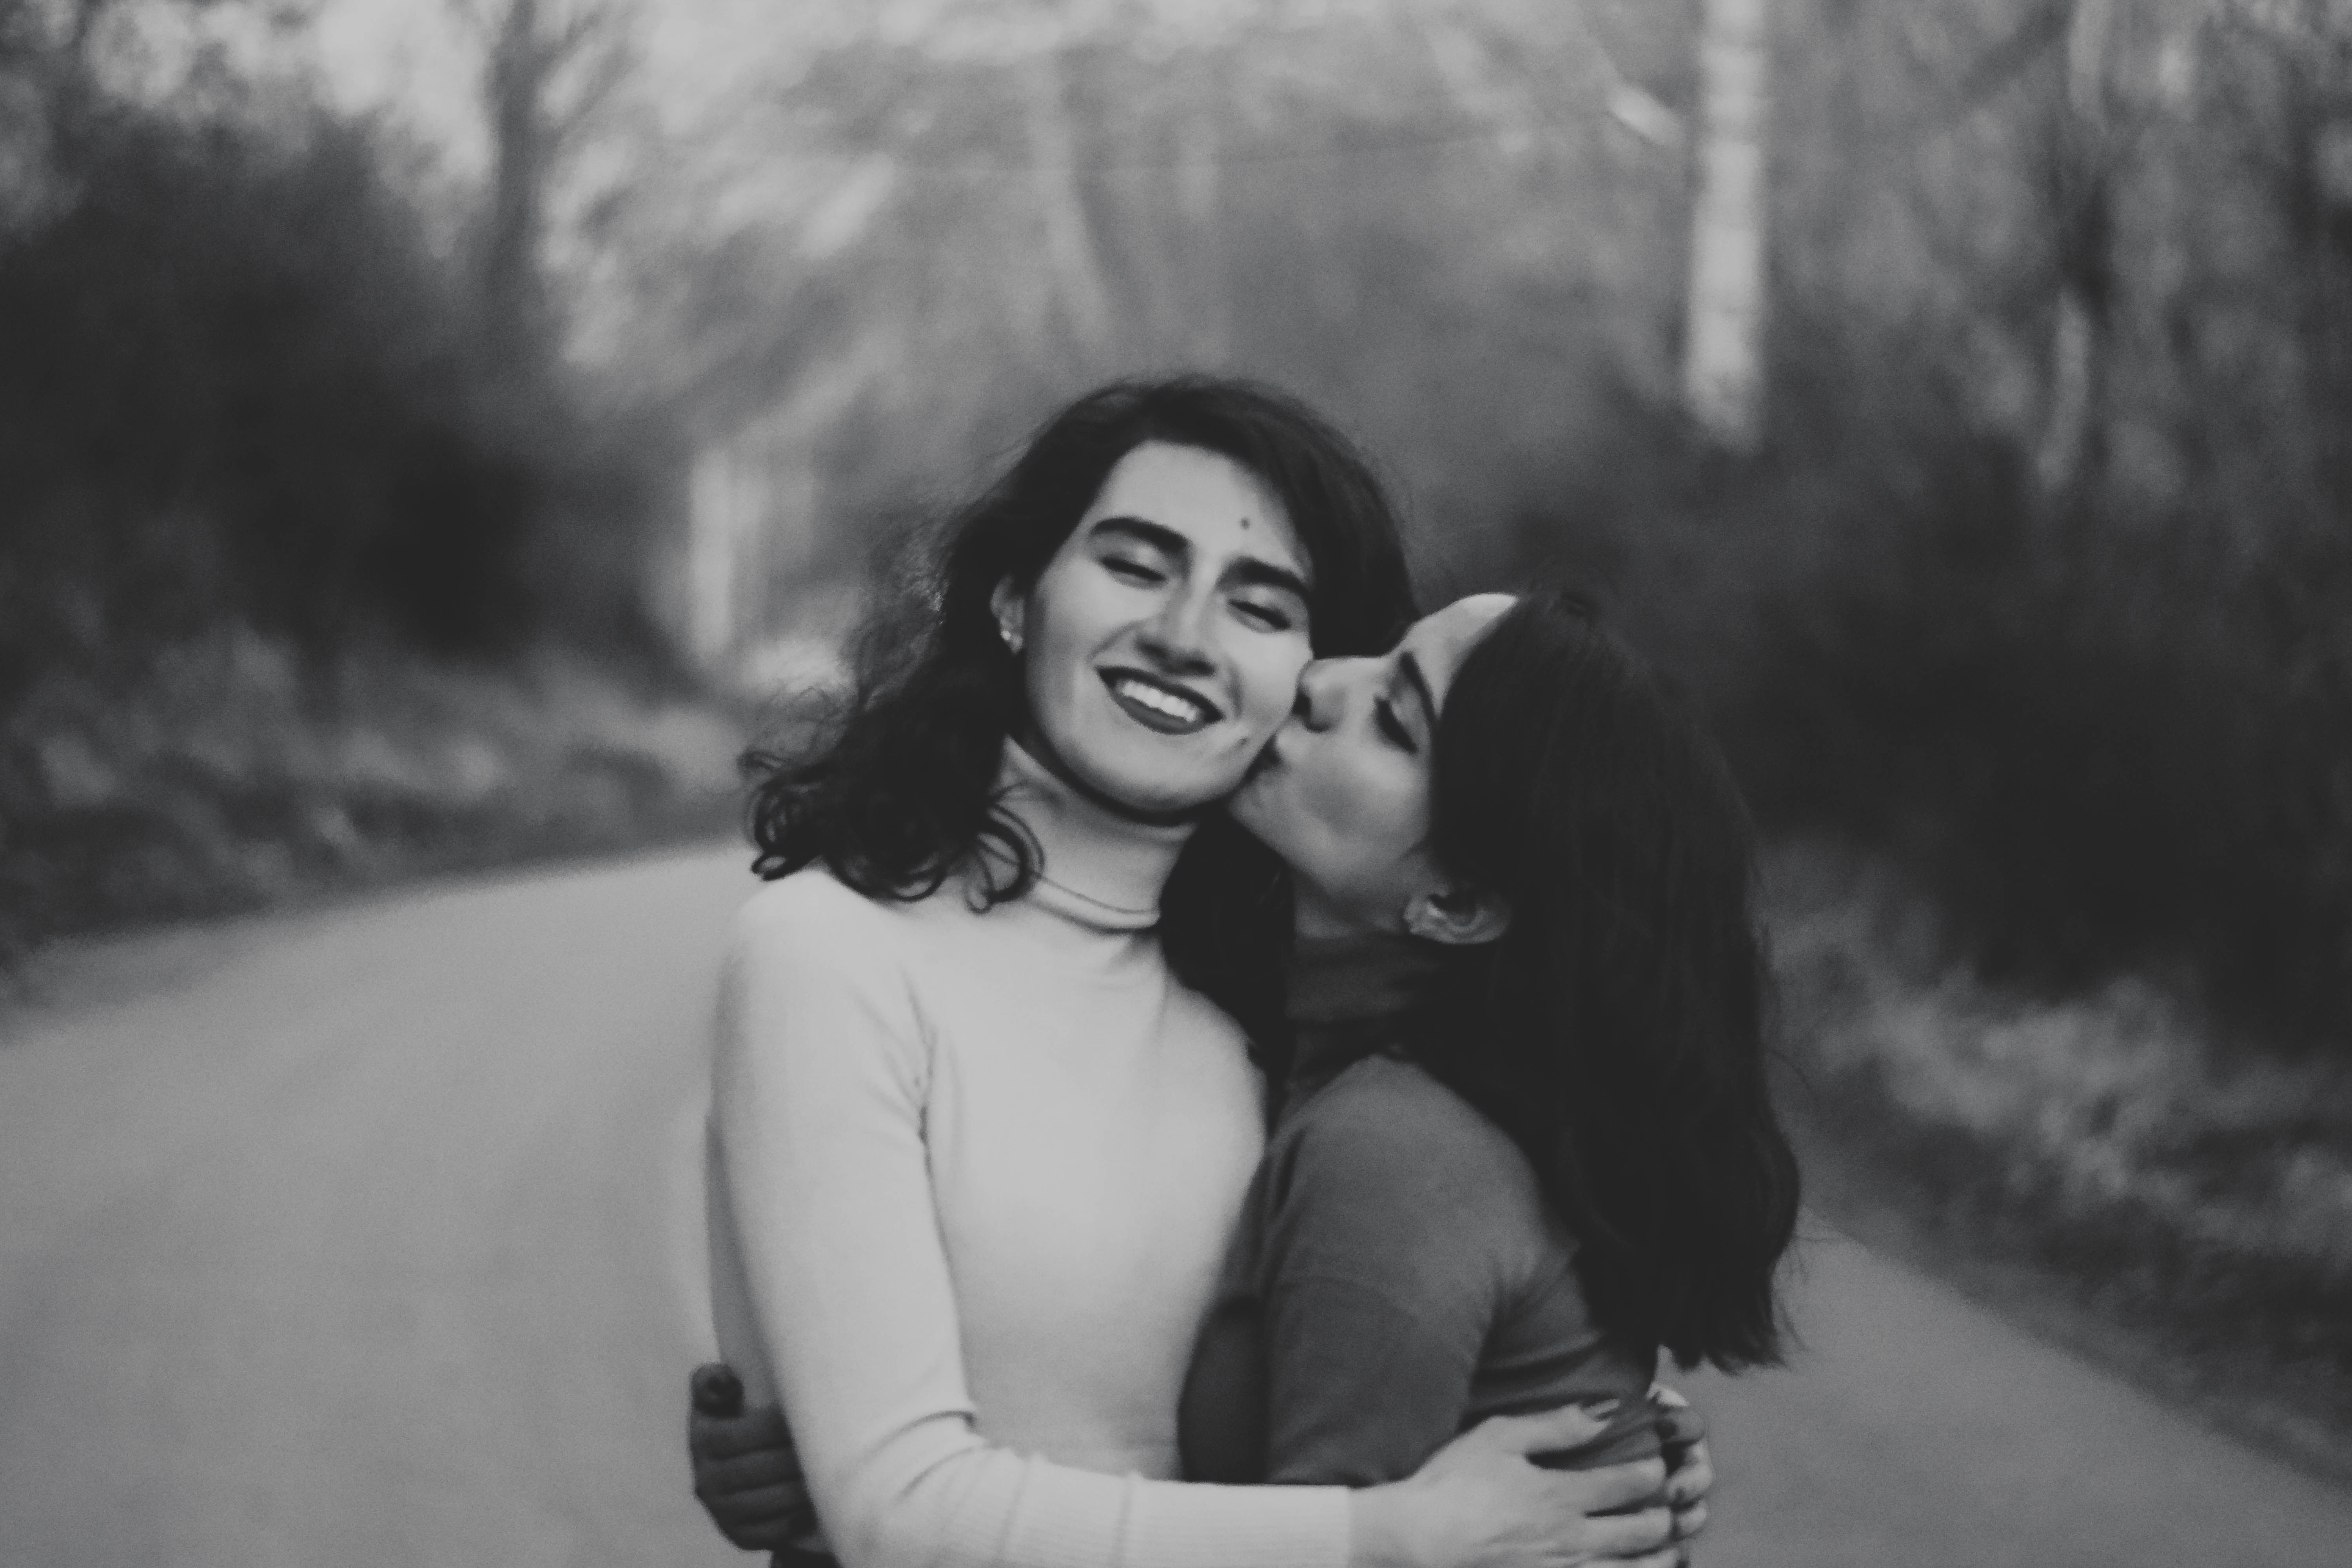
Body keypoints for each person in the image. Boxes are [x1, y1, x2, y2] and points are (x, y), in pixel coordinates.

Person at [702, 376, 1710, 1568]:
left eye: (1261, 604)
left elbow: (1398, 1290)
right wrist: (1385, 1538)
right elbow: (899, 1515)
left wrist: (1608, 1434)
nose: (1184, 635)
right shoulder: (833, 956)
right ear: (1019, 597)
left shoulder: (1268, 999)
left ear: (1306, 674)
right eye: (1135, 564)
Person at [1178, 588, 1796, 1492]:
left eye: (1392, 720)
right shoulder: (1393, 1097)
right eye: (1382, 651)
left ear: (1457, 905)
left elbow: (1330, 1540)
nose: (1318, 679)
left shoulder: (1394, 1150)